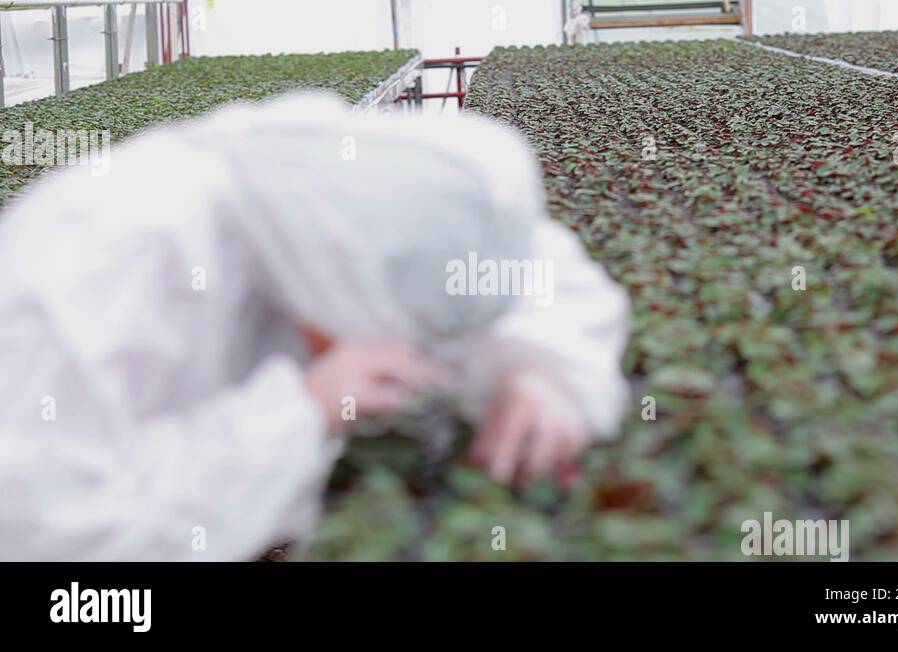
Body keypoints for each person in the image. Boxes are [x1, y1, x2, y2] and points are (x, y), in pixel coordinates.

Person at [0, 93, 629, 561]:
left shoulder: (360, 181)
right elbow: (51, 532)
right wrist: (299, 411)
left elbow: (530, 271)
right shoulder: (97, 264)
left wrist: (538, 373)